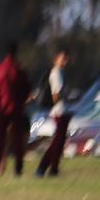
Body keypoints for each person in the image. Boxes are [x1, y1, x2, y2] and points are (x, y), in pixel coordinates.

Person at [0, 43, 32, 177]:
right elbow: (27, 90)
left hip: (1, 108)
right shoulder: (19, 70)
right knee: (18, 140)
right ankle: (18, 169)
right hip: (17, 108)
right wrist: (21, 101)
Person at [35, 50, 72, 178]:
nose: (65, 61)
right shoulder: (56, 73)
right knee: (57, 142)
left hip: (64, 110)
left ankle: (52, 169)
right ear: (55, 60)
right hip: (59, 111)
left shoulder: (61, 72)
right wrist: (65, 100)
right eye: (62, 59)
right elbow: (56, 94)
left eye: (66, 59)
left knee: (60, 142)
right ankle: (44, 168)